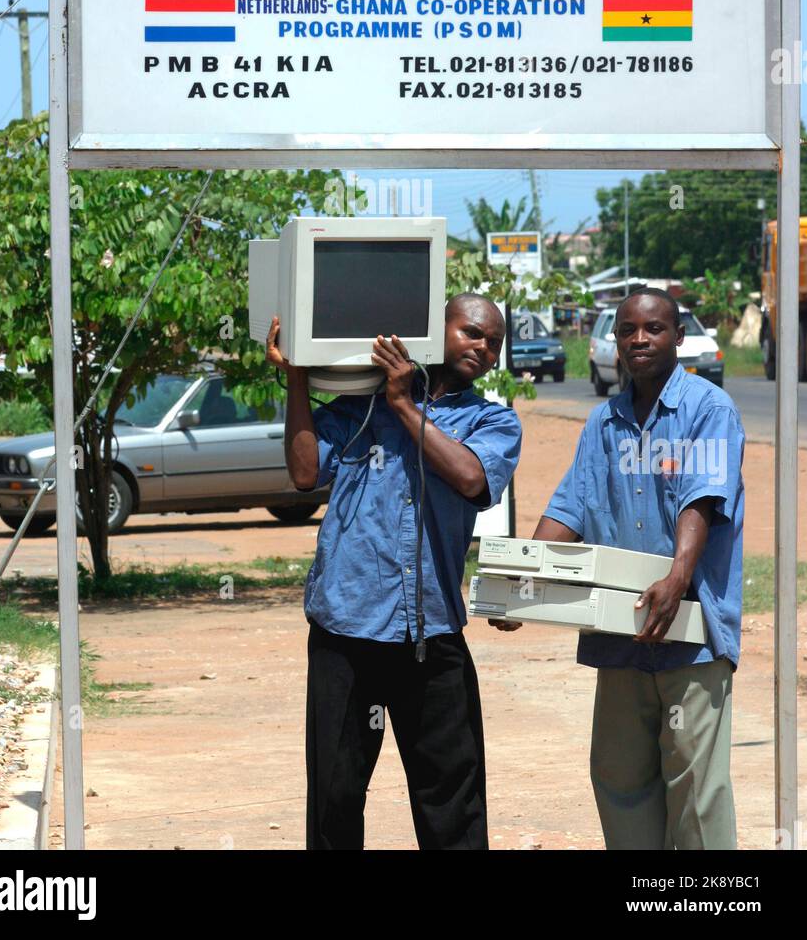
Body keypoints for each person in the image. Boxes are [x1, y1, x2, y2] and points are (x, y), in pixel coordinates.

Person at [266, 292, 522, 851]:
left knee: (452, 802)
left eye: (494, 342)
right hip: (344, 634)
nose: (483, 347)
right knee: (334, 800)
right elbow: (305, 473)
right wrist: (298, 381)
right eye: (472, 332)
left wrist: (406, 406)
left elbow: (472, 479)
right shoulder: (358, 408)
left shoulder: (491, 420)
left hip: (430, 639)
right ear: (436, 329)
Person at [494, 287, 744, 851]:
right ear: (614, 340)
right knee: (619, 781)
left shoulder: (708, 409)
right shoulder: (604, 422)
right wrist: (521, 586)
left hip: (690, 634)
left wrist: (678, 577)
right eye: (627, 329)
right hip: (623, 631)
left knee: (696, 794)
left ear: (679, 337)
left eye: (653, 329)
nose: (638, 339)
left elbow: (700, 501)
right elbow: (570, 507)